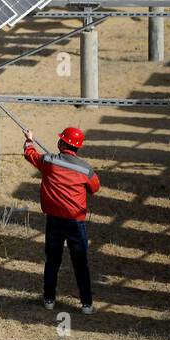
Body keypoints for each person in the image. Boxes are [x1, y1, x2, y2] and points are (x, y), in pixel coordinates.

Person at [23, 126, 101, 313]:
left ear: (61, 143)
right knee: (81, 264)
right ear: (77, 148)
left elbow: (30, 154)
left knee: (52, 262)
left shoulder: (49, 161)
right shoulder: (86, 168)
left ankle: (49, 300)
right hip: (76, 223)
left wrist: (29, 139)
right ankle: (87, 304)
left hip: (54, 221)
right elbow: (95, 188)